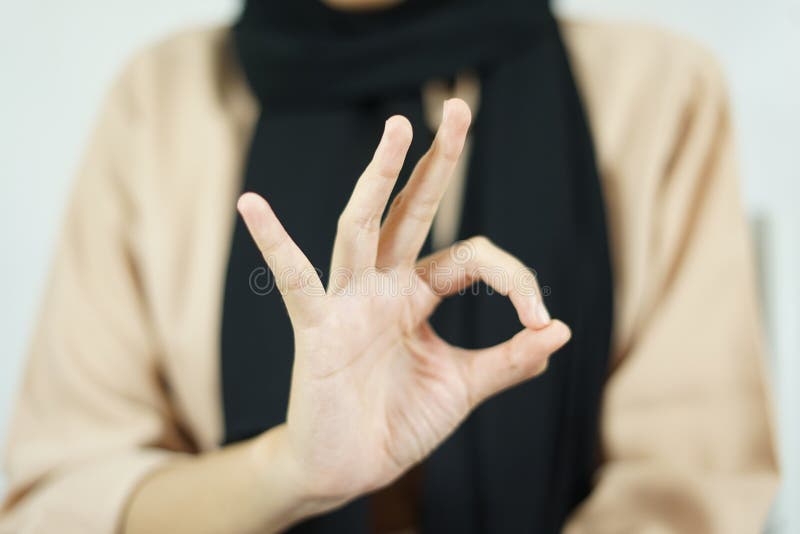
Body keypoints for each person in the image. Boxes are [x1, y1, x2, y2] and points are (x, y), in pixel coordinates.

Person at [0, 0, 779, 533]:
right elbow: (61, 496)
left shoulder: (659, 95)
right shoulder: (160, 102)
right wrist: (287, 470)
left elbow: (694, 484)